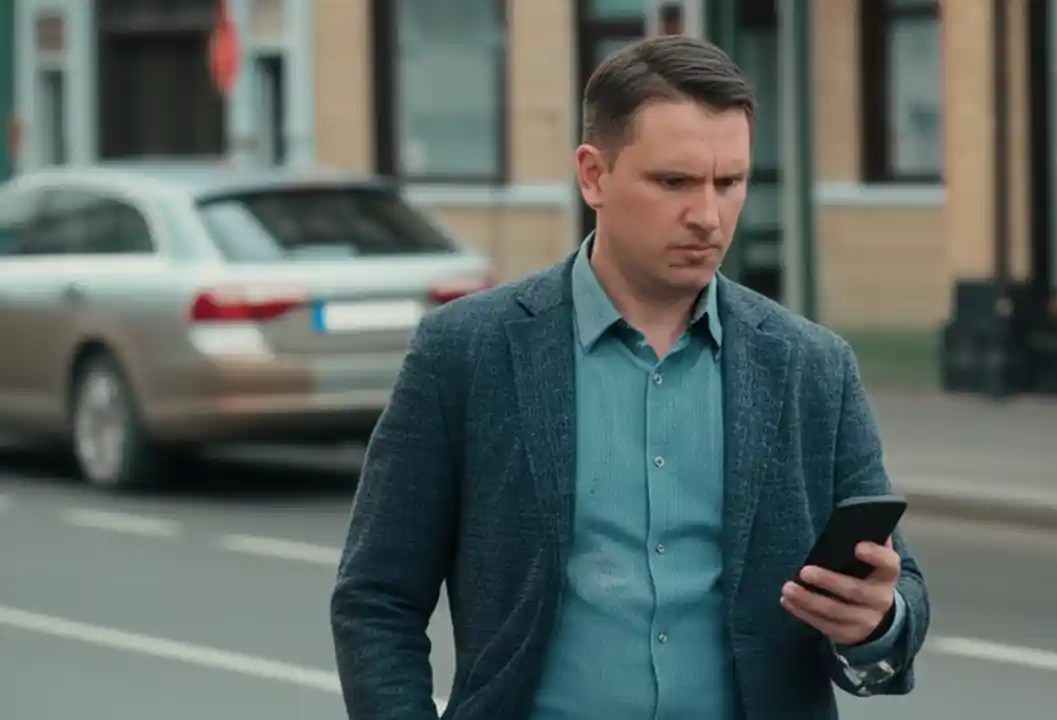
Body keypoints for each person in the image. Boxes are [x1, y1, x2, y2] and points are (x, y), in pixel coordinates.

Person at [330, 34, 929, 720]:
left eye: (729, 182)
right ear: (594, 176)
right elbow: (376, 598)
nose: (707, 214)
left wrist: (876, 620)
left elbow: (898, 592)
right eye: (674, 182)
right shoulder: (466, 352)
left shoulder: (810, 366)